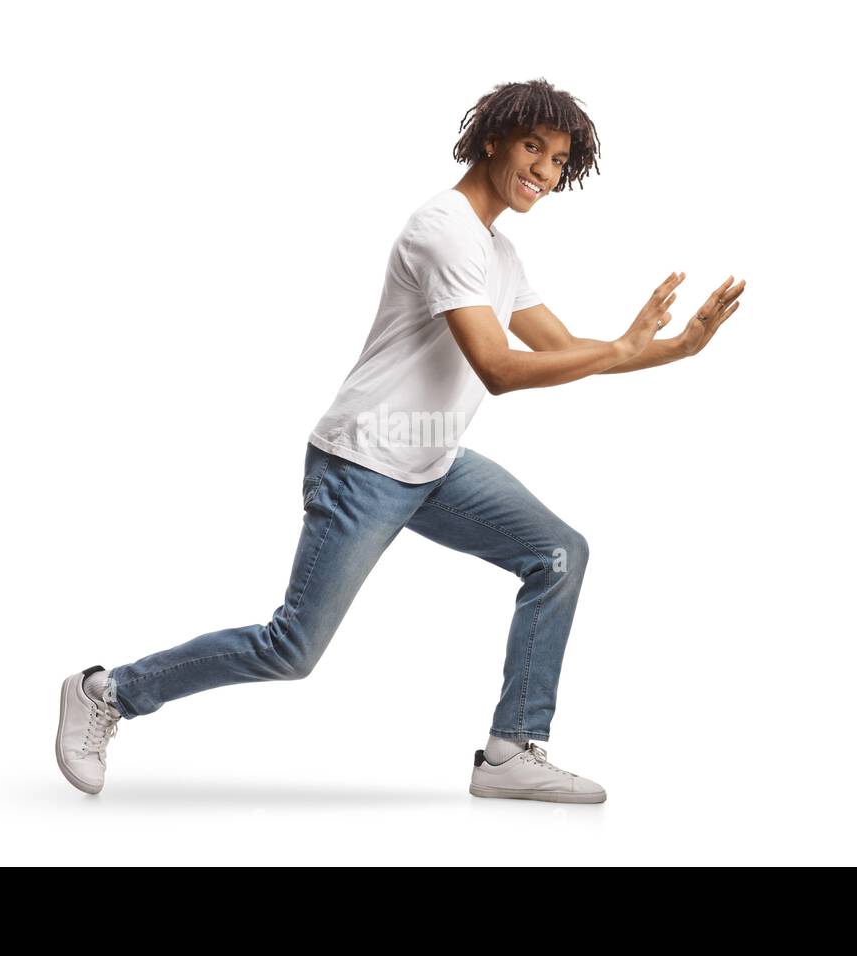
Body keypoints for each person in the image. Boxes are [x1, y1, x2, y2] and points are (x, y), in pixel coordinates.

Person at [56, 77, 745, 803]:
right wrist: (623, 350)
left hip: (431, 461)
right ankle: (108, 692)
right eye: (532, 148)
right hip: (362, 463)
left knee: (558, 553)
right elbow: (501, 368)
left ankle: (512, 751)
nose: (543, 171)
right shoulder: (443, 229)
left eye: (557, 160)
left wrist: (672, 350)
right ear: (492, 139)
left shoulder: (498, 253)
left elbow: (565, 346)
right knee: (292, 649)